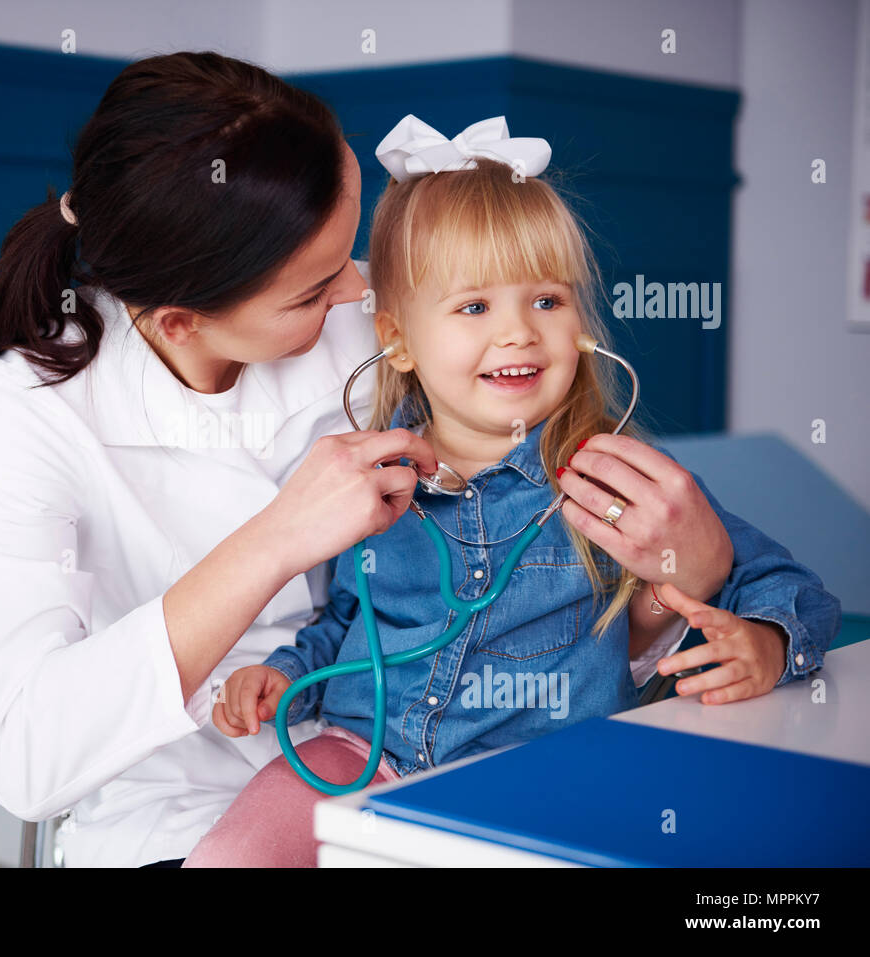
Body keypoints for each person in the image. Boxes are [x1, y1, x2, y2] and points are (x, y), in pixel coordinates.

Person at [0, 55, 736, 868]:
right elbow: (25, 758)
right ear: (181, 323)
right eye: (313, 290)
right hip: (171, 817)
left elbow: (524, 567)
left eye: (349, 254)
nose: (357, 291)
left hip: (397, 759)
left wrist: (683, 581)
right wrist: (276, 538)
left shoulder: (372, 329)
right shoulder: (34, 405)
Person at [182, 115, 841, 868]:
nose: (519, 333)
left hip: (545, 772)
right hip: (362, 752)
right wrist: (286, 678)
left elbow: (791, 586)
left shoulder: (610, 477)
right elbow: (346, 621)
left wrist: (768, 642)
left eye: (547, 301)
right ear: (396, 339)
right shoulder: (371, 480)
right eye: (474, 307)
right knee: (234, 854)